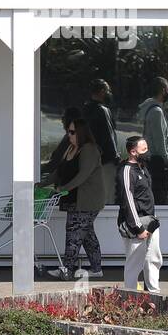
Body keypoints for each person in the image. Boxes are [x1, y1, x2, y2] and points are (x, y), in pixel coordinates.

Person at [46, 118, 105, 281]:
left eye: (72, 132)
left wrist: (61, 189)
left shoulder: (89, 150)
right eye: (67, 131)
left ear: (81, 132)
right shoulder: (71, 149)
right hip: (73, 200)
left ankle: (67, 269)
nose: (69, 135)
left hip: (87, 201)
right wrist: (43, 183)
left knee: (74, 233)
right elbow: (59, 171)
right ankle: (96, 268)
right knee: (86, 235)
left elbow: (82, 176)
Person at [115, 135, 161, 294]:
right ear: (133, 152)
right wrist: (138, 227)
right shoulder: (126, 170)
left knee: (154, 258)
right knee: (135, 262)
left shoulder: (142, 167)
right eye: (144, 149)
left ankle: (154, 293)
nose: (147, 152)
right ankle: (130, 295)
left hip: (150, 221)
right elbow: (127, 200)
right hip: (136, 224)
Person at [137, 77, 168, 204]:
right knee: (159, 198)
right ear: (163, 90)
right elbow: (159, 143)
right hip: (157, 162)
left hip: (148, 160)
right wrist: (166, 162)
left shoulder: (148, 107)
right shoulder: (157, 111)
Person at [83, 79, 120, 205]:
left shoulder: (85, 109)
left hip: (89, 160)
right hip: (105, 161)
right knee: (107, 196)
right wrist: (115, 157)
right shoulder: (103, 111)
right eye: (108, 90)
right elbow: (109, 135)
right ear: (102, 91)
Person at [41, 107, 82, 181]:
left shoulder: (71, 139)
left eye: (63, 117)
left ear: (69, 119)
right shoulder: (71, 137)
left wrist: (39, 169)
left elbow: (56, 163)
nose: (61, 120)